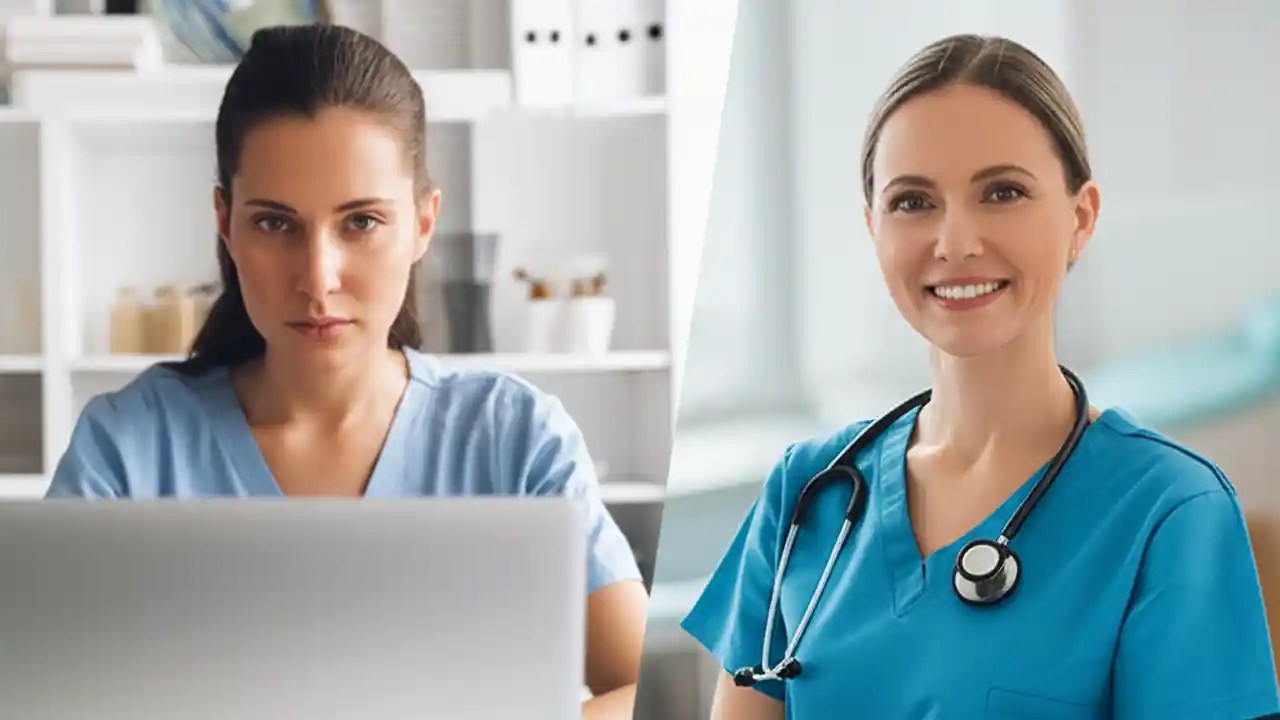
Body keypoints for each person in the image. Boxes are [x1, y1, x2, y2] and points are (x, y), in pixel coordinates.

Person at [44, 24, 647, 720]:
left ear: (423, 223)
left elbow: (642, 691)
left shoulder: (514, 439)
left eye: (360, 222)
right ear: (226, 222)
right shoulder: (128, 449)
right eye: (276, 224)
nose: (318, 278)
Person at [681, 33, 1280, 719]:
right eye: (913, 201)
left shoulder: (1169, 512)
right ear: (872, 226)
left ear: (1080, 218)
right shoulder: (806, 493)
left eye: (1002, 192)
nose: (956, 243)